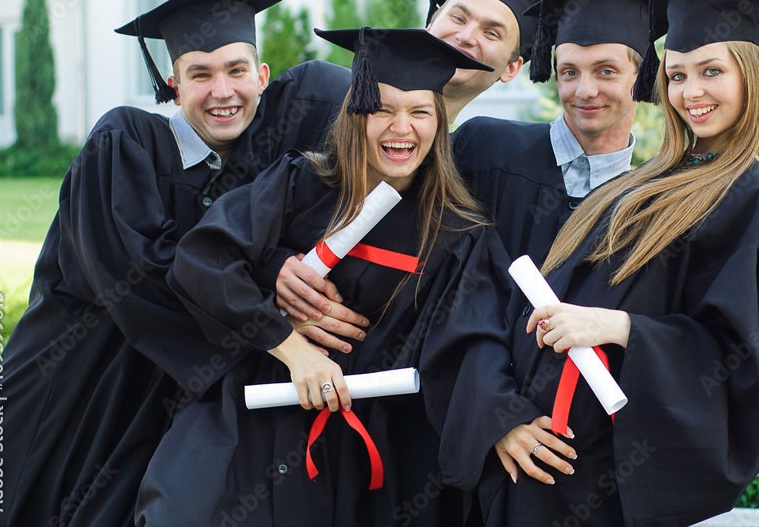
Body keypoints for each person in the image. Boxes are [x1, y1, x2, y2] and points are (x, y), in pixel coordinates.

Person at [425, 0, 759, 526]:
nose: (691, 91)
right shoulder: (657, 185)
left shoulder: (751, 196)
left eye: (712, 71)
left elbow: (735, 356)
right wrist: (497, 414)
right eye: (678, 74)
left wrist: (616, 327)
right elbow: (464, 295)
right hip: (531, 468)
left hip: (585, 470)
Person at [0, 0, 352, 527]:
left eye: (236, 70)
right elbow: (145, 278)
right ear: (174, 85)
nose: (222, 91)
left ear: (262, 77)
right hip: (71, 380)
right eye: (200, 75)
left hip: (153, 393)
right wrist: (278, 332)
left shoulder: (260, 177)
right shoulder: (124, 141)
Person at [135, 28, 513, 527]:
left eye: (420, 112)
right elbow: (204, 260)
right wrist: (291, 347)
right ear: (355, 113)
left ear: (439, 124)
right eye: (382, 109)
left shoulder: (458, 234)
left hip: (364, 447)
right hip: (254, 413)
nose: (401, 127)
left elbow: (470, 343)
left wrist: (504, 419)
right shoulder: (302, 183)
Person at [267, 0, 550, 322]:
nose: (466, 36)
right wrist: (272, 272)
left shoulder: (473, 169)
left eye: (491, 32)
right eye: (458, 17)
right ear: (431, 22)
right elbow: (228, 212)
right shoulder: (311, 93)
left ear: (512, 68)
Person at [452, 0, 654, 263]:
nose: (584, 91)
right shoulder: (483, 149)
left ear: (643, 76)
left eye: (606, 71)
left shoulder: (649, 206)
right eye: (570, 72)